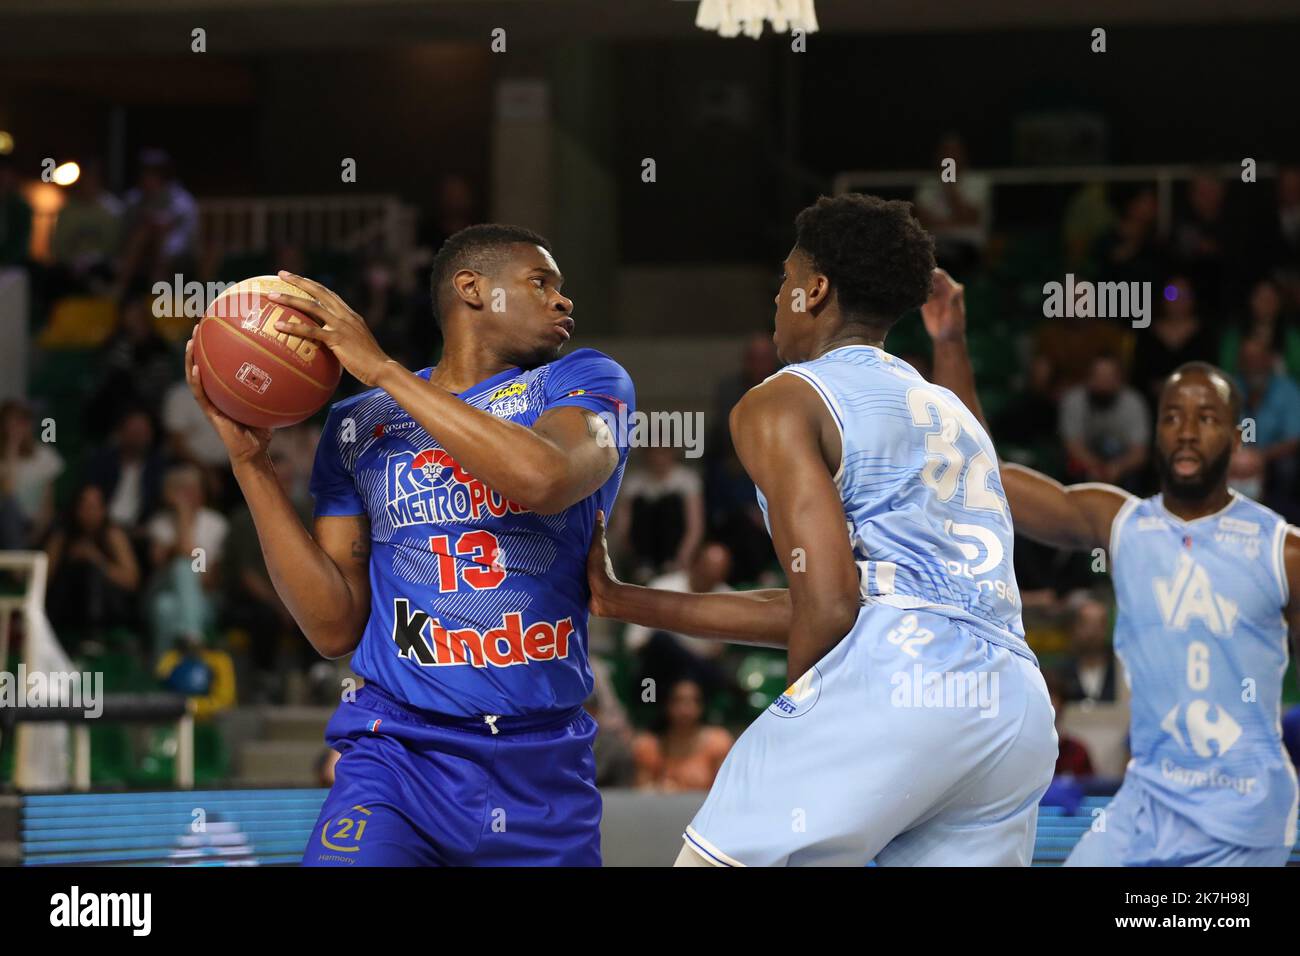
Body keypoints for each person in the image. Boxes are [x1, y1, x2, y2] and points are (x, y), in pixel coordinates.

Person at [588, 196, 1056, 866]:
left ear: (816, 290)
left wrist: (807, 727)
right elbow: (845, 600)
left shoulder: (783, 400)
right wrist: (620, 598)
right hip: (1012, 708)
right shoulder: (949, 409)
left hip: (899, 679)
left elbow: (829, 605)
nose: (778, 297)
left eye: (785, 279)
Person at [183, 224, 635, 866]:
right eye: (541, 283)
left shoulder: (587, 381)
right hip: (398, 752)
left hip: (542, 766)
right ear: (472, 289)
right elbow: (334, 626)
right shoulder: (356, 424)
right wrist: (251, 464)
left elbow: (546, 479)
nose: (563, 302)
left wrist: (382, 370)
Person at [925, 268, 1300, 867]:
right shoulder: (1119, 522)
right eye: (1173, 416)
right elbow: (980, 472)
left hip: (1243, 815)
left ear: (1235, 435)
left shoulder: (1282, 552)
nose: (1186, 431)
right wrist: (949, 342)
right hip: (1146, 802)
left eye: (1206, 418)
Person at [44, 483, 141, 641]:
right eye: (84, 505)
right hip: (66, 607)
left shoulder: (112, 534)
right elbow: (43, 580)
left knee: (91, 571)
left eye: (93, 506)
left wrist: (96, 559)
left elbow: (132, 581)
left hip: (108, 609)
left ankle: (93, 635)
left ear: (103, 509)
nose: (88, 511)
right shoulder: (62, 535)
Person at [1058, 353, 1151, 490]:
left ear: (1121, 379)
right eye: (1098, 376)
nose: (1103, 383)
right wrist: (1095, 467)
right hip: (1084, 464)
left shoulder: (1134, 402)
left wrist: (1117, 468)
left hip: (1123, 466)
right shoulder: (1073, 400)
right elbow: (1071, 444)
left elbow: (1140, 452)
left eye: (1109, 377)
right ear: (1087, 378)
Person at [632, 678, 733, 791]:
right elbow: (641, 793)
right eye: (678, 701)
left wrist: (681, 792)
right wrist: (658, 789)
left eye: (693, 701)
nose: (685, 710)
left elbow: (725, 791)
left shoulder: (718, 741)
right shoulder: (647, 745)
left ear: (702, 706)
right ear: (666, 705)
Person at [0, 399, 64, 549]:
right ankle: (19, 569)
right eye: (12, 422)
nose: (18, 427)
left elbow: (48, 503)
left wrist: (38, 530)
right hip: (5, 522)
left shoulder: (45, 455)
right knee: (9, 507)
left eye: (23, 422)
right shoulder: (3, 459)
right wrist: (12, 447)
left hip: (36, 523)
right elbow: (8, 491)